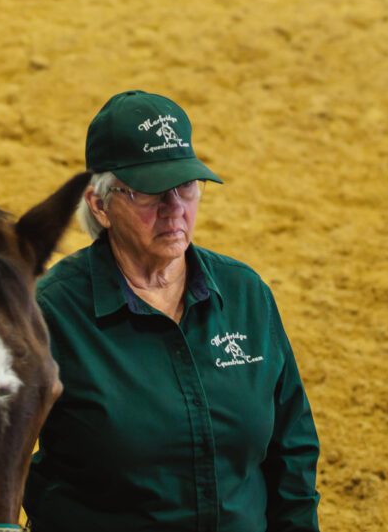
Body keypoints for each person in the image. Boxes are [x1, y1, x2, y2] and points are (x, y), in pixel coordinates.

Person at [24, 90, 320, 532]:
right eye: (150, 193)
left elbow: (291, 445)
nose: (175, 209)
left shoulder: (244, 296)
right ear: (100, 205)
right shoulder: (51, 315)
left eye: (186, 186)